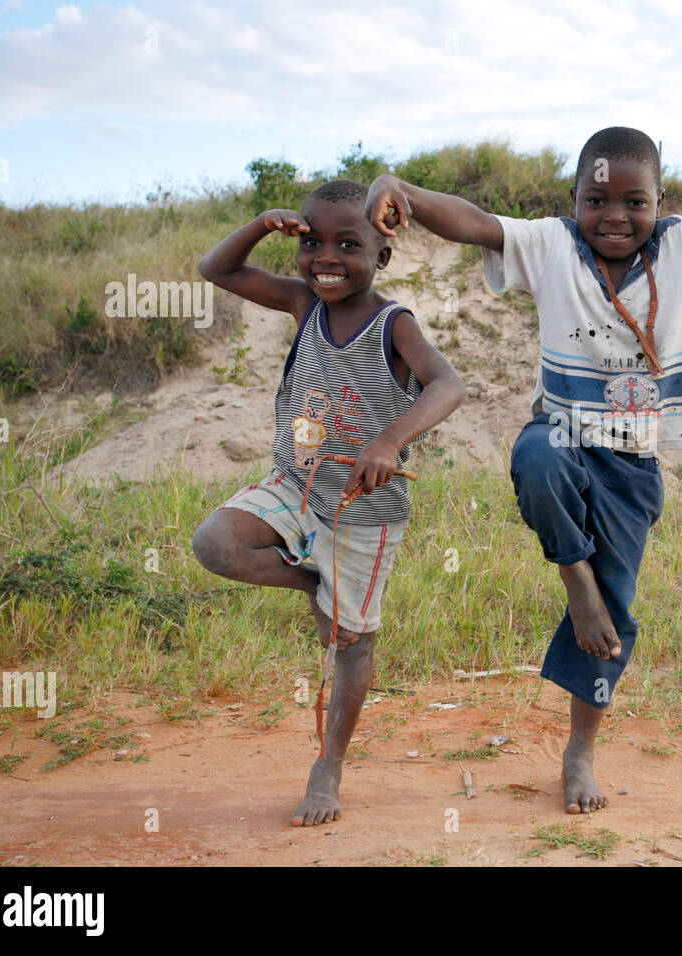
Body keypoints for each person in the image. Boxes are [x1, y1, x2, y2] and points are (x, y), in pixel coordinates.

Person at [365, 127, 682, 813]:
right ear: (572, 200)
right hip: (562, 434)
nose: (615, 215)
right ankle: (574, 576)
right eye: (596, 199)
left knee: (617, 617)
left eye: (634, 201)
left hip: (633, 463)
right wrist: (398, 189)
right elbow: (474, 223)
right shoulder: (551, 246)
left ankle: (579, 750)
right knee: (535, 457)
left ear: (660, 201)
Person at [191, 178, 465, 826]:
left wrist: (390, 440)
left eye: (349, 243)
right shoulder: (300, 304)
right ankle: (310, 581)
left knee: (351, 645)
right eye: (314, 242)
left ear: (383, 255)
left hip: (363, 512)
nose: (328, 258)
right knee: (216, 542)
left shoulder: (392, 323)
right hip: (295, 484)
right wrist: (262, 224)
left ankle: (328, 767)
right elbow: (215, 268)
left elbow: (448, 384)